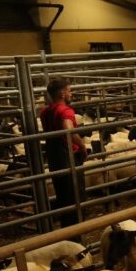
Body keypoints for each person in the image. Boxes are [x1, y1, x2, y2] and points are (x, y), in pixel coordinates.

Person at [40, 78, 87, 228]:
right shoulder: (65, 110)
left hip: (55, 159)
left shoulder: (45, 112)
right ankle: (76, 236)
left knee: (63, 198)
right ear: (62, 93)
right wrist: (82, 145)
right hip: (68, 158)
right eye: (69, 90)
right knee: (75, 198)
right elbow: (68, 130)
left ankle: (66, 232)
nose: (70, 93)